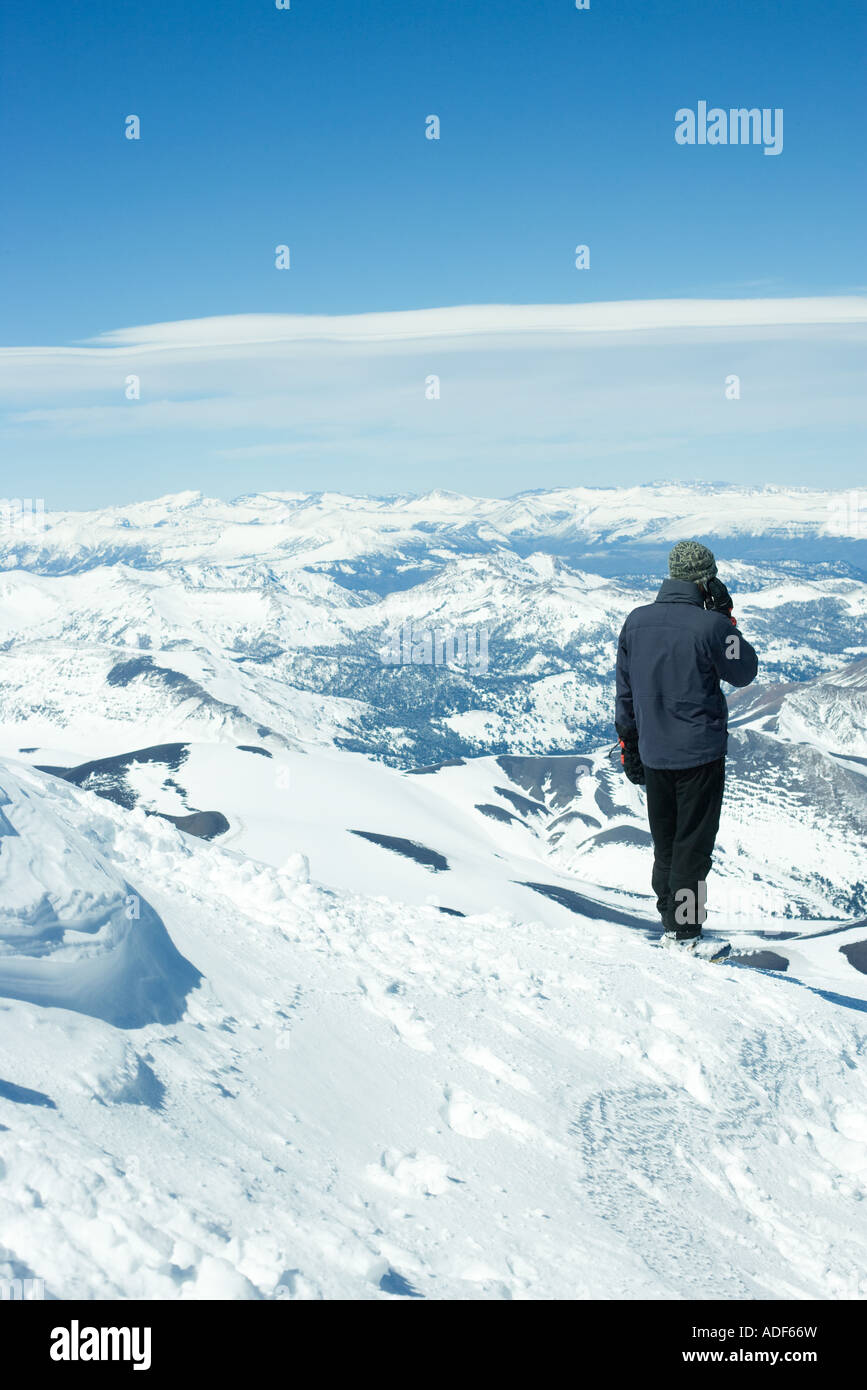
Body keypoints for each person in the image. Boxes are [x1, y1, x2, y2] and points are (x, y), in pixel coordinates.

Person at [614, 540, 758, 958]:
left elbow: (625, 695)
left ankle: (671, 924)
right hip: (699, 756)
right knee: (693, 849)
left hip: (654, 753)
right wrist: (727, 620)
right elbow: (744, 671)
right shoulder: (711, 626)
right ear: (706, 578)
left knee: (667, 845)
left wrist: (630, 747)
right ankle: (686, 935)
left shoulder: (635, 623)